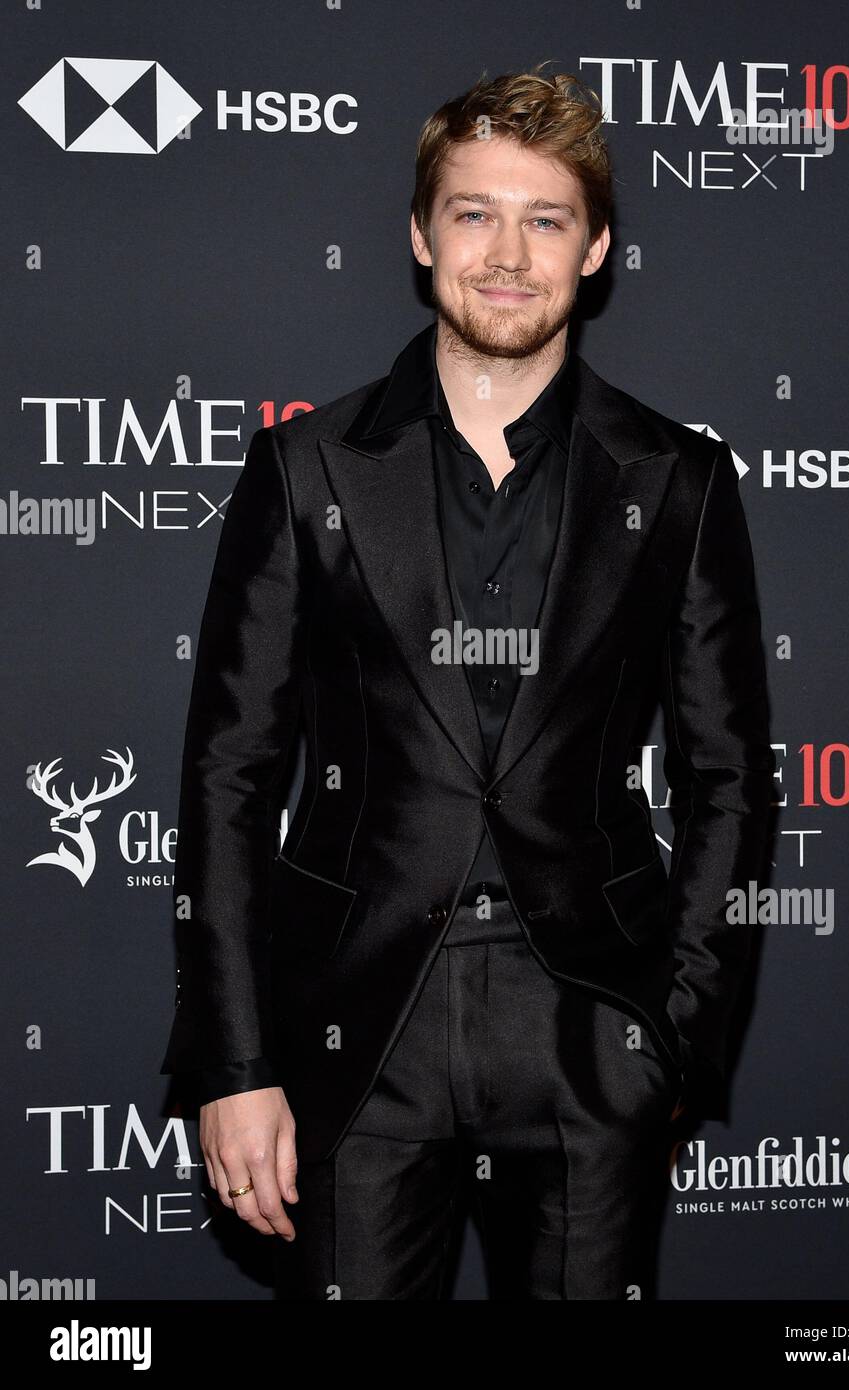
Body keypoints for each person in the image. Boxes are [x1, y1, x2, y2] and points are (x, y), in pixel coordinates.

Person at [160, 63, 776, 1300]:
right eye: (474, 213)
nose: (508, 252)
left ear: (594, 248)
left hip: (587, 1026)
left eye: (545, 219)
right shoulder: (307, 467)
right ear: (420, 235)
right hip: (356, 1031)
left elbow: (730, 780)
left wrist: (668, 1038)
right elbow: (229, 776)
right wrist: (233, 1065)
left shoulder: (676, 480)